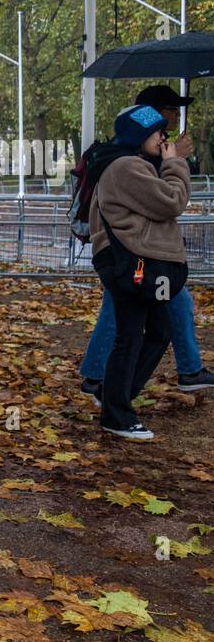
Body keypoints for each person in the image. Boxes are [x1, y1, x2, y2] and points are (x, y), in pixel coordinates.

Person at [79, 84, 213, 396]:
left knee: (165, 312)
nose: (173, 118)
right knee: (131, 321)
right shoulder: (130, 161)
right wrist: (175, 160)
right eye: (170, 110)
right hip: (134, 257)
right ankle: (106, 386)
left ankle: (113, 384)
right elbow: (167, 199)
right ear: (153, 115)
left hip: (137, 256)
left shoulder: (133, 154)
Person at [89, 104, 191, 440]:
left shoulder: (131, 164)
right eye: (159, 131)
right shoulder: (126, 167)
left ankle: (112, 395)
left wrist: (165, 162)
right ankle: (116, 414)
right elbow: (172, 200)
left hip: (145, 266)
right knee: (130, 335)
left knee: (159, 330)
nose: (164, 138)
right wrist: (175, 162)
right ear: (139, 133)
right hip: (135, 266)